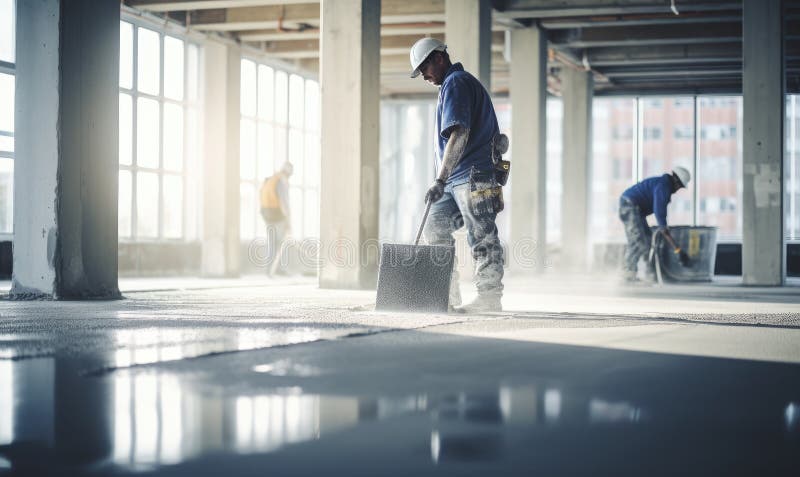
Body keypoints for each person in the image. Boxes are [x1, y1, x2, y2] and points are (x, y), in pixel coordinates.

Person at [409, 37, 505, 313]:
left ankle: (489, 297)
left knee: (481, 234)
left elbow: (459, 132)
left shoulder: (456, 82)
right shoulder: (450, 86)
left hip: (473, 175)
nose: (424, 76)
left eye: (425, 67)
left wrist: (439, 179)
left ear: (439, 58)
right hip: (454, 178)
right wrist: (443, 179)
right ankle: (445, 296)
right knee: (434, 227)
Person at [618, 166, 691, 282]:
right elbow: (660, 213)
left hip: (636, 210)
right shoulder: (663, 186)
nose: (678, 189)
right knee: (638, 241)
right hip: (629, 206)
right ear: (676, 181)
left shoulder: (662, 185)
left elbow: (660, 216)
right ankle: (628, 272)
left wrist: (664, 228)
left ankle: (648, 272)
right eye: (680, 186)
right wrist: (677, 249)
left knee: (647, 239)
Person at [260, 162, 293, 276]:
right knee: (281, 243)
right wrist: (288, 220)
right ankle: (279, 269)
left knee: (272, 243)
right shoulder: (282, 181)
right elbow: (284, 202)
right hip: (278, 216)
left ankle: (269, 269)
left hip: (267, 215)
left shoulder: (271, 179)